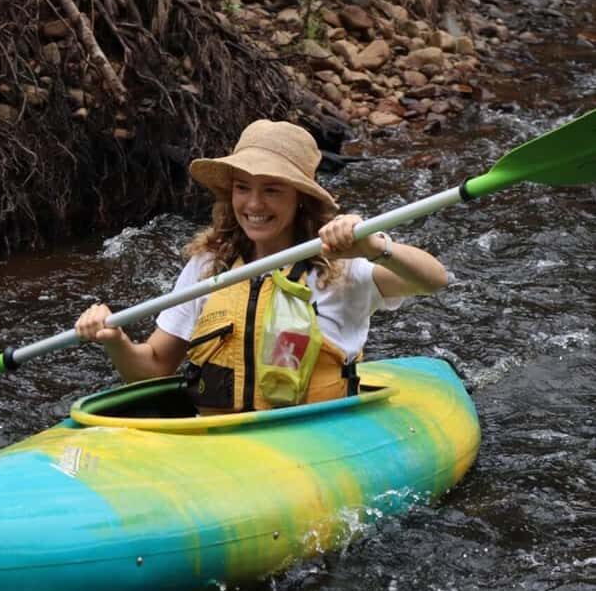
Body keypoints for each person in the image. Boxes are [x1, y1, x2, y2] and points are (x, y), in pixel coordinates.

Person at [74, 119, 448, 412]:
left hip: (314, 432)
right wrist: (116, 342)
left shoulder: (341, 265)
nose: (253, 204)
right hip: (221, 439)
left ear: (300, 199)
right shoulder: (208, 266)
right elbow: (153, 367)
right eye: (242, 187)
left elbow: (433, 280)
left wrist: (375, 245)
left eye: (271, 189)